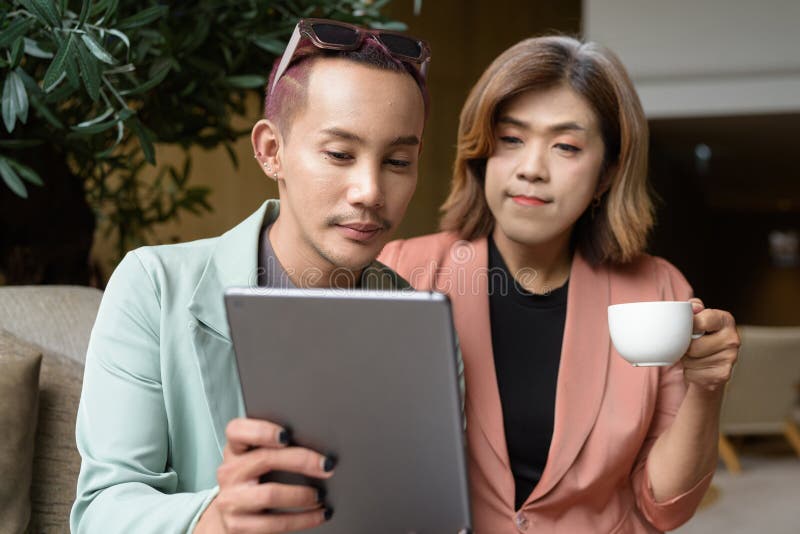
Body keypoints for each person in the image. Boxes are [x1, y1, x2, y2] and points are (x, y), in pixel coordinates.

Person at [71, 19, 431, 533]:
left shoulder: (420, 329)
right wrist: (213, 520)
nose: (370, 191)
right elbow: (100, 513)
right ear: (270, 151)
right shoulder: (153, 287)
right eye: (339, 154)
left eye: (398, 161)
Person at [379, 35, 740, 533]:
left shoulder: (659, 290)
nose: (531, 168)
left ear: (608, 174)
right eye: (511, 139)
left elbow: (665, 506)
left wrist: (707, 388)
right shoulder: (401, 272)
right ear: (482, 151)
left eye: (566, 146)